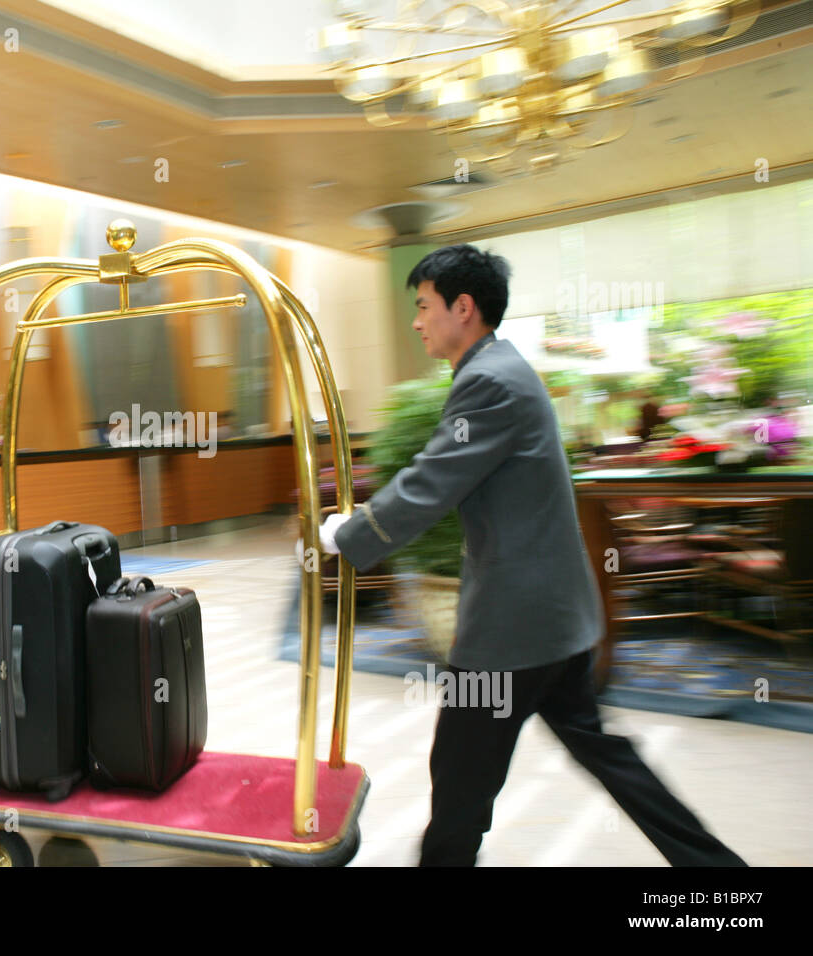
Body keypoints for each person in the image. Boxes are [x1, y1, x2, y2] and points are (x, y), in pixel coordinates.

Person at [314, 244, 745, 867]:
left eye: (424, 306)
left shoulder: (489, 380)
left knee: (459, 782)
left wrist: (351, 535)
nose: (417, 321)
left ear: (463, 308)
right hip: (556, 622)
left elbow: (432, 481)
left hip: (515, 630)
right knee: (601, 757)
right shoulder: (503, 368)